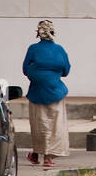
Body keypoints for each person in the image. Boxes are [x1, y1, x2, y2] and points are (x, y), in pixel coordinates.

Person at [22, 19, 71, 168]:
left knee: (39, 125)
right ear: (53, 33)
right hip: (56, 93)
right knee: (55, 126)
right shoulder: (60, 49)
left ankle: (37, 154)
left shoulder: (33, 49)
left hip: (37, 93)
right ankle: (47, 158)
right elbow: (66, 71)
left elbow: (25, 69)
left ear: (38, 34)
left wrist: (36, 73)